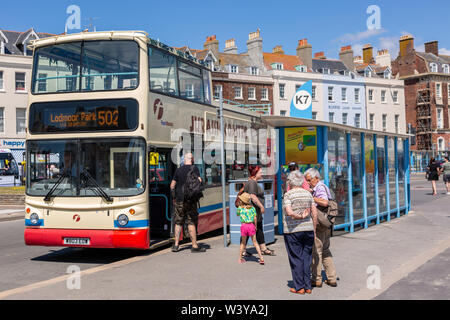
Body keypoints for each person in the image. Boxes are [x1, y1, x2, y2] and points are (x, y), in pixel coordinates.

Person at [283, 171, 318, 294]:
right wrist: (313, 229)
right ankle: (308, 286)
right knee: (306, 257)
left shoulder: (288, 195)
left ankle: (299, 287)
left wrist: (299, 217)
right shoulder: (308, 194)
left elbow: (289, 212)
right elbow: (314, 213)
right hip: (308, 230)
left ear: (290, 182)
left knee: (296, 258)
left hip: (293, 231)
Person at [305, 168, 338, 288]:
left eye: (309, 180)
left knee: (317, 250)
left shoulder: (320, 187)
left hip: (320, 223)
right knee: (325, 250)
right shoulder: (319, 187)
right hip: (326, 223)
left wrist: (311, 198)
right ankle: (332, 278)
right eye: (307, 180)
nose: (308, 182)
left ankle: (316, 279)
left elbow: (324, 202)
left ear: (316, 178)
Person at [170, 153, 206, 253]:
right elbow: (199, 181)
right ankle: (194, 246)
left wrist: (175, 196)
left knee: (178, 222)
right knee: (191, 222)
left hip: (180, 200)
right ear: (192, 159)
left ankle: (176, 245)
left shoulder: (178, 170)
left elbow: (172, 186)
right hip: (191, 200)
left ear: (184, 160)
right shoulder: (195, 169)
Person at [243, 165, 275, 256]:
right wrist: (261, 206)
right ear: (255, 173)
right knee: (249, 230)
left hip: (254, 211)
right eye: (260, 172)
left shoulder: (253, 182)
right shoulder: (252, 183)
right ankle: (243, 250)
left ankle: (263, 248)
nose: (262, 173)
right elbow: (253, 196)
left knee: (258, 229)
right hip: (253, 211)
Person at [236, 192, 264, 265]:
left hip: (244, 226)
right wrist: (256, 226)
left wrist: (240, 206)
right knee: (255, 242)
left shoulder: (240, 208)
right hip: (251, 225)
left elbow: (237, 214)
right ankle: (261, 258)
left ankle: (240, 259)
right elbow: (255, 218)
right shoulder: (252, 208)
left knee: (243, 242)